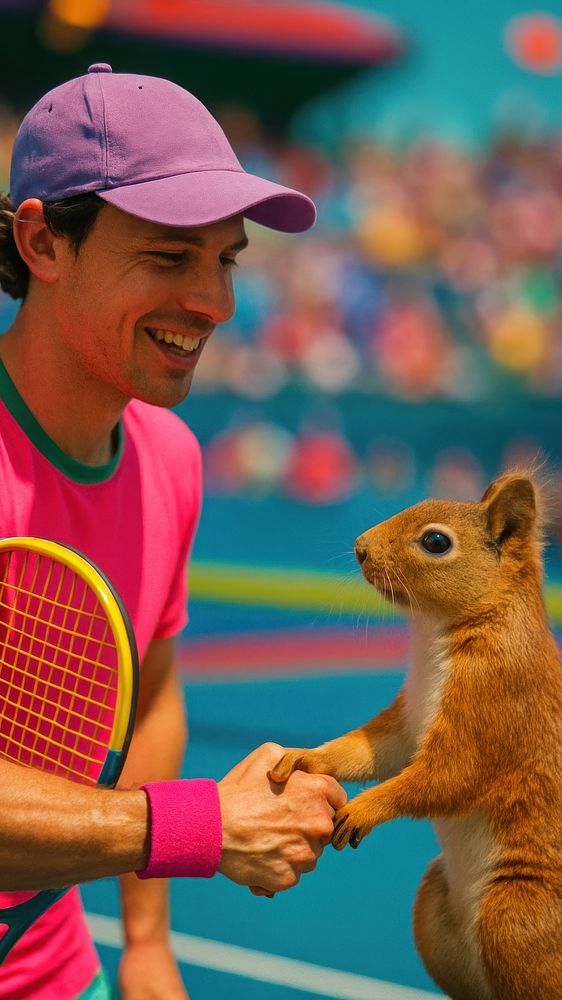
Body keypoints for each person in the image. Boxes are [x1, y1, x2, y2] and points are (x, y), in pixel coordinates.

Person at [0, 64, 347, 1000]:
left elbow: (147, 695)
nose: (215, 303)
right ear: (42, 241)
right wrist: (197, 827)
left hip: (50, 970)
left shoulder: (171, 460)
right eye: (167, 256)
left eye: (224, 259)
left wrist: (145, 943)